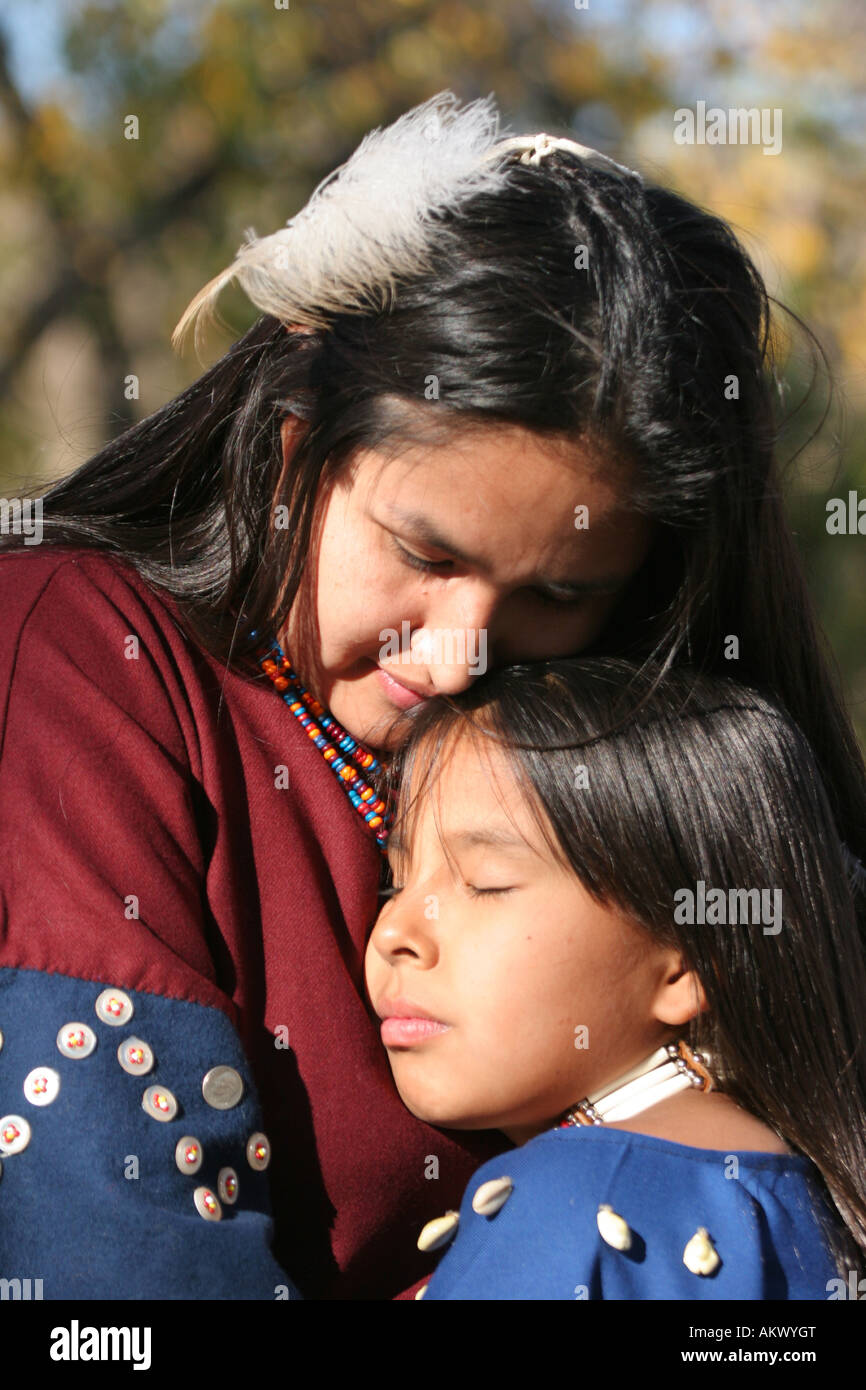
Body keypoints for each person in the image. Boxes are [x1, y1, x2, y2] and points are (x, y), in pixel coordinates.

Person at [0, 90, 863, 1300]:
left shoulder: (601, 763)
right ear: (297, 455)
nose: (462, 651)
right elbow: (111, 1275)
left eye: (558, 592)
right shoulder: (77, 660)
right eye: (424, 553)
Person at [366, 657, 866, 1299]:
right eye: (394, 881)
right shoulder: (794, 1198)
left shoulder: (571, 1203)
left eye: (487, 885)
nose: (393, 931)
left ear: (688, 961)